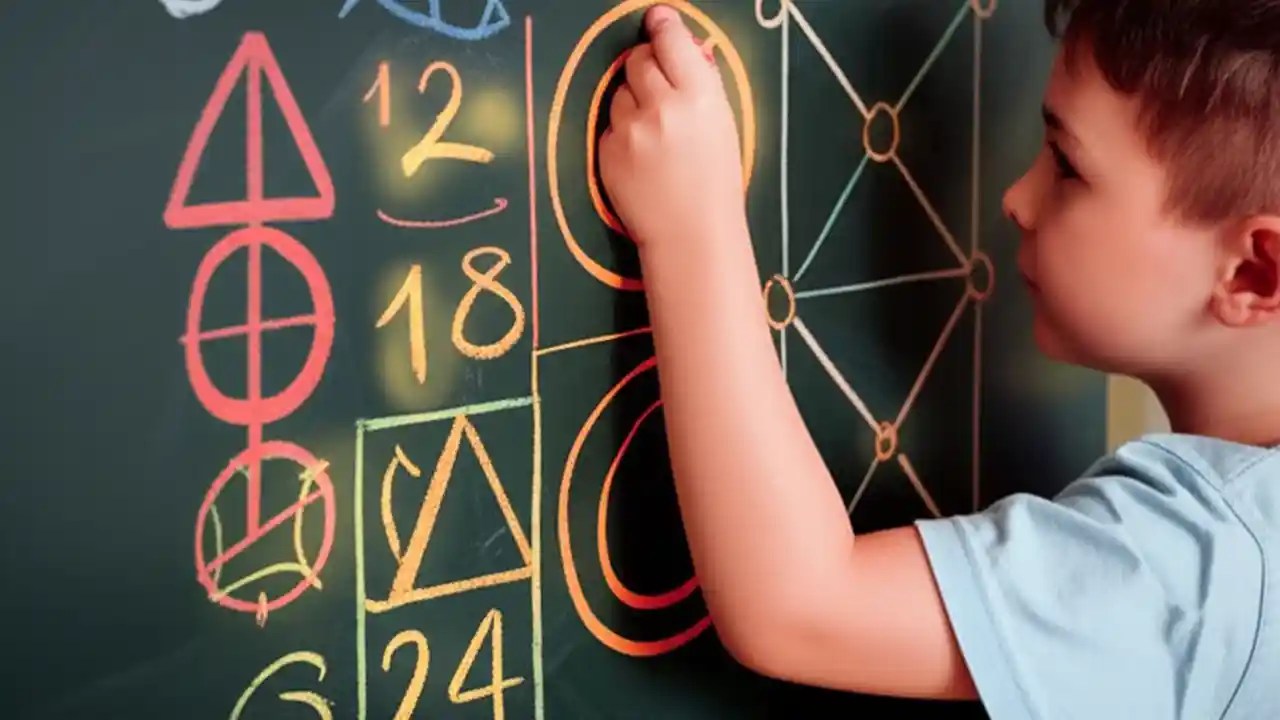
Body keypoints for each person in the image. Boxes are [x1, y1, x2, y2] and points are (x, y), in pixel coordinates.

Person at [597, 1, 1280, 717]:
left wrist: (690, 222)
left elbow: (799, 608)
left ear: (1253, 275)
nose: (1018, 199)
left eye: (1069, 167)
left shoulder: (1199, 571)